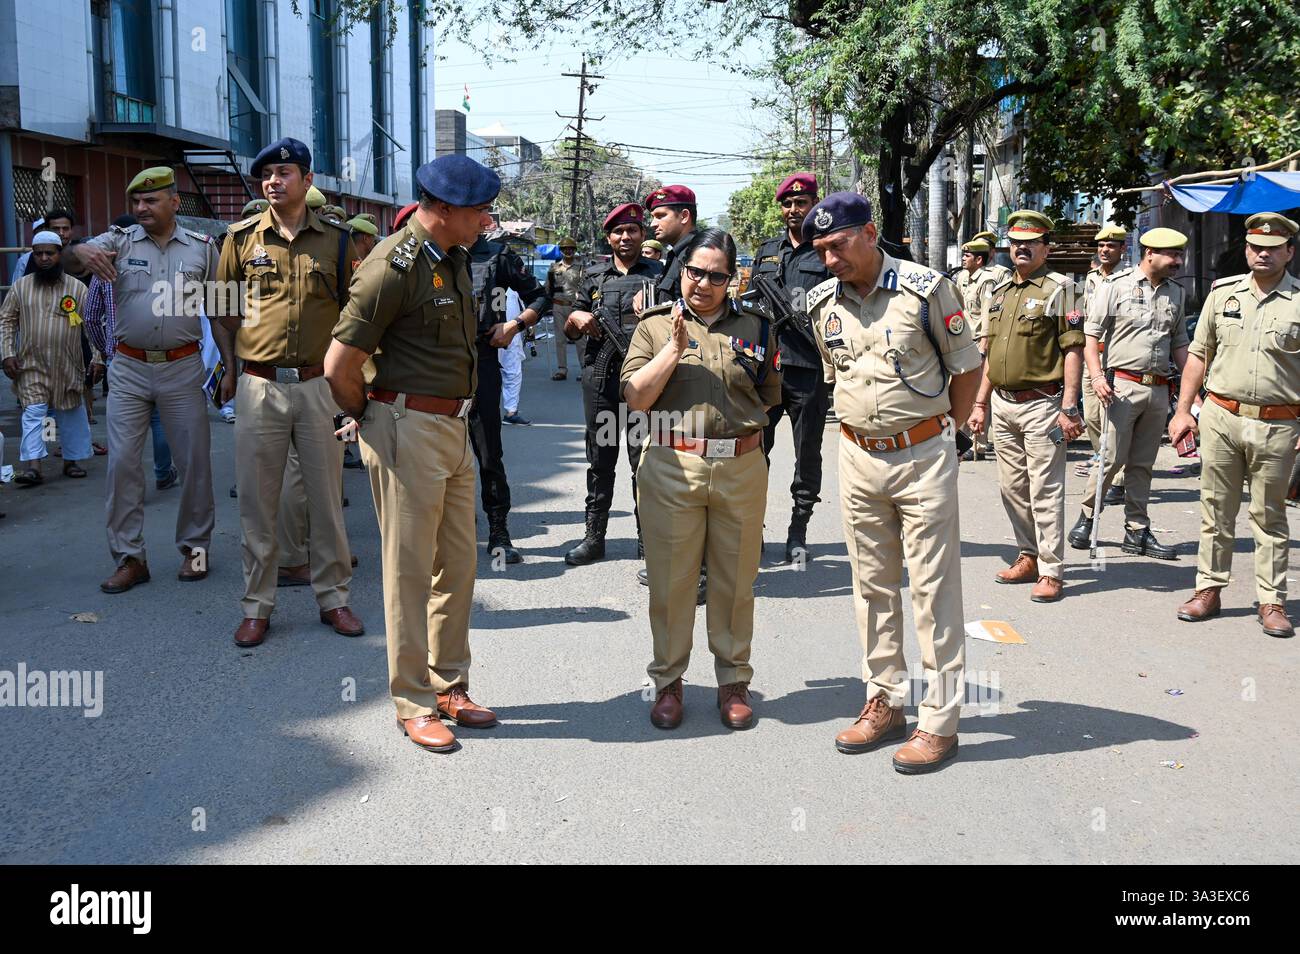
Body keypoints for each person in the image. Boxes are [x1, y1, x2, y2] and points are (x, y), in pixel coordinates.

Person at [325, 154, 503, 754]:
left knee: (456, 566)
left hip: (452, 428)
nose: (487, 219)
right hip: (405, 424)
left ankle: (450, 684)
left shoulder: (451, 257)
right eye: (480, 210)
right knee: (408, 571)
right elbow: (339, 366)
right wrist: (370, 416)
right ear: (444, 209)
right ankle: (413, 700)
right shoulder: (390, 267)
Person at [800, 193, 981, 773]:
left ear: (870, 233)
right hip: (857, 457)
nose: (829, 260)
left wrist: (945, 433)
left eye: (838, 245)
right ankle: (884, 701)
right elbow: (840, 377)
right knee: (871, 585)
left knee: (932, 590)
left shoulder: (928, 291)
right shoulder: (821, 303)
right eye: (821, 250)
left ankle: (940, 721)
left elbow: (967, 367)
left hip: (922, 455)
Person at [622, 228, 779, 731]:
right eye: (695, 272)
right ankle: (668, 682)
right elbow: (637, 397)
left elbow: (771, 395)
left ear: (732, 280)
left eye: (716, 276)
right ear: (682, 271)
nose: (703, 284)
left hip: (741, 464)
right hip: (672, 465)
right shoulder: (651, 326)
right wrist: (674, 349)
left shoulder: (757, 326)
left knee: (736, 582)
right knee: (672, 583)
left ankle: (733, 682)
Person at [217, 137, 363, 648]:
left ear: (307, 180)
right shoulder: (237, 241)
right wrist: (232, 368)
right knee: (259, 503)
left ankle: (335, 599)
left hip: (318, 386)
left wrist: (353, 385)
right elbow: (221, 308)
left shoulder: (339, 242)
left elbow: (357, 316)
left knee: (327, 500)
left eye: (283, 173)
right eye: (266, 176)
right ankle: (257, 606)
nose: (273, 182)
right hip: (259, 386)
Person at [65, 166, 236, 593]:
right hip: (128, 368)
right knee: (122, 465)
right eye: (136, 202)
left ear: (174, 202)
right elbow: (71, 258)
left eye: (150, 200)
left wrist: (232, 367)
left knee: (194, 464)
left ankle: (195, 550)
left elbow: (220, 311)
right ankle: (129, 558)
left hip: (182, 368)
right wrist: (78, 250)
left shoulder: (202, 249)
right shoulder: (119, 242)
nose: (140, 208)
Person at [1170, 212, 1300, 637]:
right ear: (1246, 251)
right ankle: (1208, 588)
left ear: (1289, 252)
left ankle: (1272, 601)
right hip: (1222, 418)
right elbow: (1199, 355)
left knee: (1270, 517)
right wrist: (1183, 410)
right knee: (1215, 511)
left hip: (1279, 426)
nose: (1263, 253)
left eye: (1273, 248)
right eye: (1256, 247)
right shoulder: (1223, 294)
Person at [967, 209, 1084, 603]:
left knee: (1045, 490)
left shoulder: (1062, 290)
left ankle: (1052, 570)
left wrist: (1069, 407)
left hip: (1043, 405)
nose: (1021, 248)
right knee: (1012, 487)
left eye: (1030, 243)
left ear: (1045, 248)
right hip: (1002, 404)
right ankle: (1028, 554)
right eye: (1015, 242)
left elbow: (1073, 351)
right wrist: (979, 404)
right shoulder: (999, 294)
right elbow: (989, 354)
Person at [1068, 227, 1189, 560]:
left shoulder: (1176, 293)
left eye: (1180, 255)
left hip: (1159, 388)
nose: (1178, 261)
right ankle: (1087, 516)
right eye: (1172, 255)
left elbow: (1180, 343)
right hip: (1121, 386)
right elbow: (1091, 337)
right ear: (1150, 253)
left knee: (1142, 464)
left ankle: (1136, 531)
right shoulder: (1115, 287)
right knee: (1111, 457)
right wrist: (1095, 377)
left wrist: (1195, 391)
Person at [563, 202, 663, 567]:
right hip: (601, 381)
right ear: (609, 237)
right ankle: (594, 538)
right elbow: (569, 326)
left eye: (632, 230)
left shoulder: (660, 274)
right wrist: (576, 316)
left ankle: (647, 540)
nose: (625, 237)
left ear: (642, 235)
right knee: (600, 459)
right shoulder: (592, 276)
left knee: (644, 462)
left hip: (642, 383)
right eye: (618, 232)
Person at [753, 173, 834, 562]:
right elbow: (749, 304)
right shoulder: (767, 251)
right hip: (766, 367)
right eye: (787, 204)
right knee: (753, 454)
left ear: (815, 205)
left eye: (801, 203)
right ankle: (752, 529)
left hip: (809, 366)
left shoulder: (826, 251)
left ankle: (798, 530)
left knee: (807, 454)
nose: (793, 210)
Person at [465, 226, 550, 564]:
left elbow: (539, 296)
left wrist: (514, 326)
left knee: (488, 454)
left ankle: (499, 531)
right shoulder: (426, 251)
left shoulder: (496, 255)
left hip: (482, 361)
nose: (484, 217)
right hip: (434, 368)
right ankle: (449, 531)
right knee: (436, 457)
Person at [0, 231, 99, 486]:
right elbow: (7, 321)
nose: (44, 258)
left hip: (68, 364)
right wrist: (7, 354)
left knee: (69, 414)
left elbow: (91, 324)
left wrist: (98, 357)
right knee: (35, 413)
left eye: (50, 253)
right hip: (31, 365)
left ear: (59, 255)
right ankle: (34, 465)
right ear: (33, 255)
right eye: (38, 253)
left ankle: (71, 460)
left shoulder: (76, 287)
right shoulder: (21, 287)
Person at [1080, 224, 1129, 487]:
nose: (1104, 250)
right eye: (1101, 246)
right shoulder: (1092, 278)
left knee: (1112, 419)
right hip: (1091, 356)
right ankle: (1105, 461)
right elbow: (1085, 313)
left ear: (1123, 248)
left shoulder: (1130, 279)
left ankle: (1116, 478)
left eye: (1111, 246)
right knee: (1091, 416)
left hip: (1113, 358)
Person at [954, 236, 1002, 460]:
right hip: (962, 341)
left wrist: (984, 347)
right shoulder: (962, 277)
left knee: (979, 394)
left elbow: (987, 315)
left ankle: (979, 444)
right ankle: (962, 440)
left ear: (979, 260)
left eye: (968, 255)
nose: (964, 258)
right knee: (961, 391)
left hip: (979, 342)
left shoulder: (988, 280)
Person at [646, 185, 701, 302]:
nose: (653, 224)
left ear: (684, 216)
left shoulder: (697, 255)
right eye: (653, 217)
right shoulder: (677, 254)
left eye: (660, 216)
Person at [544, 237, 582, 380]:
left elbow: (586, 288)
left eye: (571, 248)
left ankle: (584, 369)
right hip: (558, 306)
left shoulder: (581, 268)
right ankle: (562, 370)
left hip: (576, 308)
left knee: (580, 340)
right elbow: (548, 287)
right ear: (561, 251)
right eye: (565, 249)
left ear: (574, 250)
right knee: (560, 340)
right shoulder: (554, 268)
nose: (568, 251)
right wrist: (545, 304)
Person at [499, 288, 529, 425]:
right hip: (496, 332)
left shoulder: (513, 286)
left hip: (512, 333)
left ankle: (511, 411)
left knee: (513, 371)